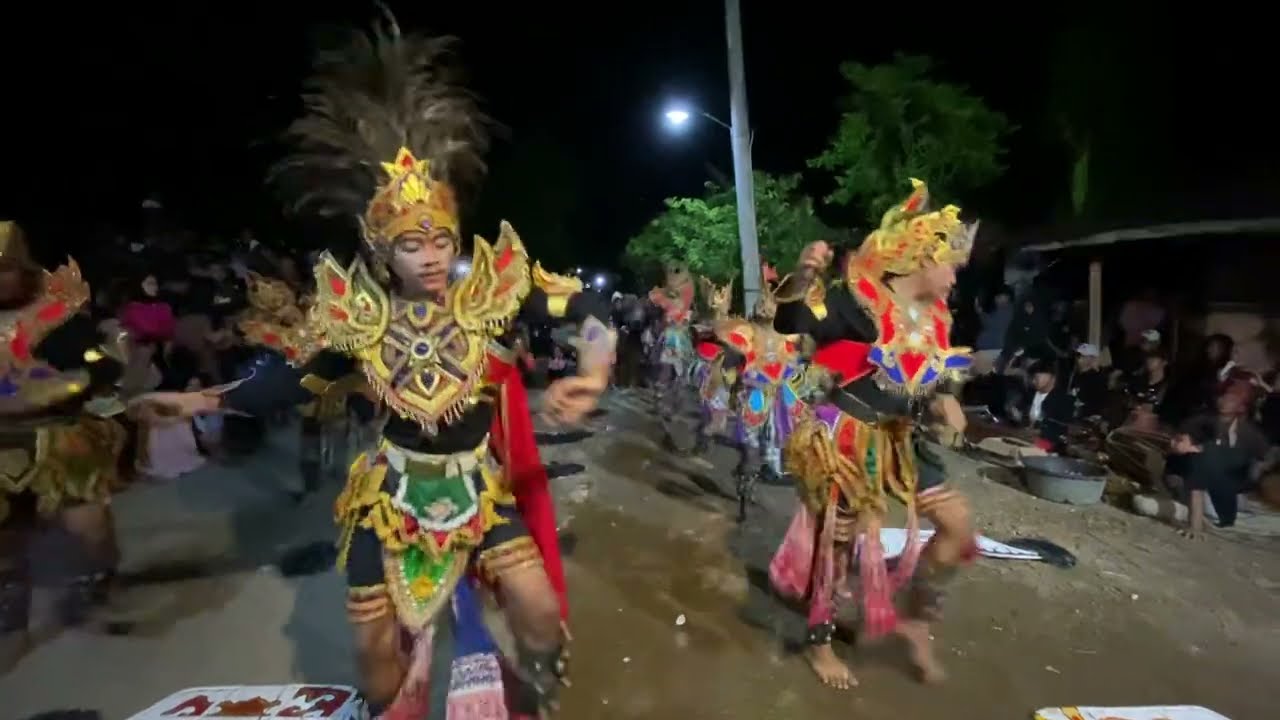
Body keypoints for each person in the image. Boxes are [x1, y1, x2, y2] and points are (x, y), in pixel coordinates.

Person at [129, 18, 611, 717]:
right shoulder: (361, 321)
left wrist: (593, 373)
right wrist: (199, 401)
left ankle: (530, 691)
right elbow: (288, 382)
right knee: (374, 656)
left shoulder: (493, 297)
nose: (430, 254)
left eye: (440, 238)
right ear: (384, 253)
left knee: (538, 612)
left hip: (476, 489)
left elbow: (593, 311)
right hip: (387, 500)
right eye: (411, 244)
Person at [767, 180, 977, 689]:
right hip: (849, 439)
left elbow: (937, 374)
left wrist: (947, 399)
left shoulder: (937, 318)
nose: (954, 277)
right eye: (950, 264)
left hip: (903, 441)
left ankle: (917, 620)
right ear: (922, 258)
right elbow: (790, 319)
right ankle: (819, 643)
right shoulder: (856, 303)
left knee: (959, 527)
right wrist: (806, 271)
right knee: (838, 544)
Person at [0, 221, 128, 669]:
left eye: (3, 269)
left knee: (88, 526)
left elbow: (102, 363)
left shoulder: (57, 313)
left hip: (60, 433)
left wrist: (80, 380)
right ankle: (11, 621)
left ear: (21, 268)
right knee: (4, 539)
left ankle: (101, 582)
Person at [1172, 378, 1269, 535]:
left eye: (1233, 398)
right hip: (1198, 488)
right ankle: (1195, 520)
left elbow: (1262, 463)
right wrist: (1180, 447)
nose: (1225, 401)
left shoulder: (1250, 434)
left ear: (1242, 407)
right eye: (1225, 396)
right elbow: (1179, 445)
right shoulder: (1200, 422)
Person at [1011, 361, 1075, 452]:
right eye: (1032, 378)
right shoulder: (1029, 395)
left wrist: (1040, 433)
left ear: (1052, 378)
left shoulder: (1064, 400)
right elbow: (1020, 415)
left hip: (1049, 446)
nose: (1033, 381)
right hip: (1025, 439)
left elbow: (1063, 430)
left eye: (1037, 377)